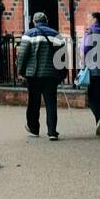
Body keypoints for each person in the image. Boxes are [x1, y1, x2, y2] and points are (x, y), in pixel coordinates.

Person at [15, 11, 67, 140]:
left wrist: (20, 71)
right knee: (51, 103)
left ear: (34, 22)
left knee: (33, 102)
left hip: (34, 74)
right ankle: (52, 132)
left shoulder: (28, 34)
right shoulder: (56, 35)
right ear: (46, 21)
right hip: (50, 75)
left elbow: (22, 55)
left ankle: (34, 128)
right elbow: (62, 57)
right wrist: (62, 74)